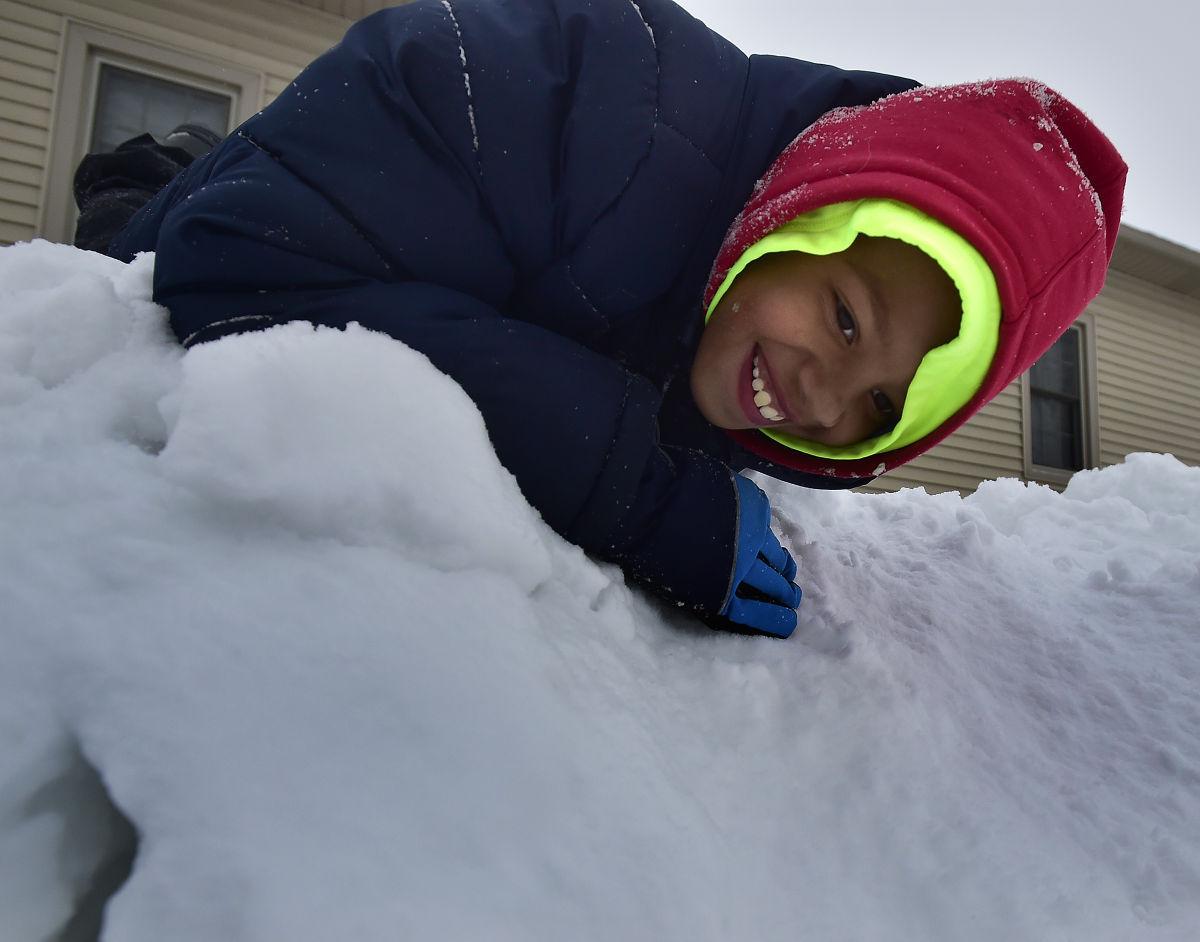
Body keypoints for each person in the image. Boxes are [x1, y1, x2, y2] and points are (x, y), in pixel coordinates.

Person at [73, 0, 1126, 639]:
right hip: (271, 204)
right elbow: (248, 268)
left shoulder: (734, 311)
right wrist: (637, 492)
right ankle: (138, 181)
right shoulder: (592, 103)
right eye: (846, 323)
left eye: (883, 406)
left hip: (358, 218)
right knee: (148, 229)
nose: (824, 397)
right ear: (803, 208)